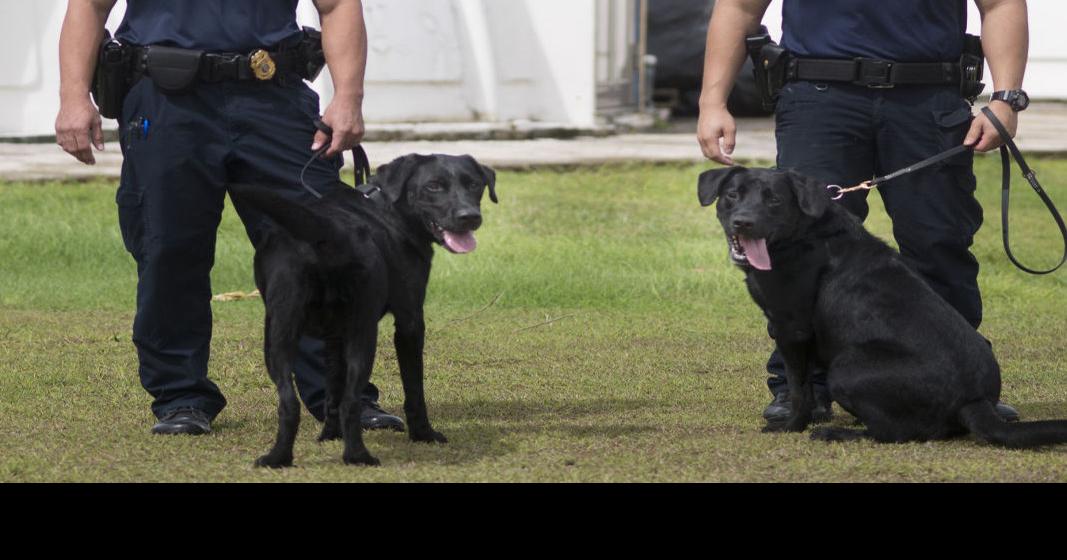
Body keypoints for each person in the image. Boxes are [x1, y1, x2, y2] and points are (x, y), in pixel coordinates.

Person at [55, 0, 406, 435]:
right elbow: (88, 7)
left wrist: (348, 97)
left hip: (274, 96)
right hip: (167, 102)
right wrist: (73, 97)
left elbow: (337, 6)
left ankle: (341, 395)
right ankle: (181, 397)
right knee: (169, 249)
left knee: (319, 246)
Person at [696, 0, 1029, 423]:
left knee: (939, 243)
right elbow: (739, 7)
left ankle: (961, 385)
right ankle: (802, 390)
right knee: (803, 251)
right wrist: (712, 102)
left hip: (927, 97)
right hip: (819, 99)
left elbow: (1001, 5)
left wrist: (1006, 98)